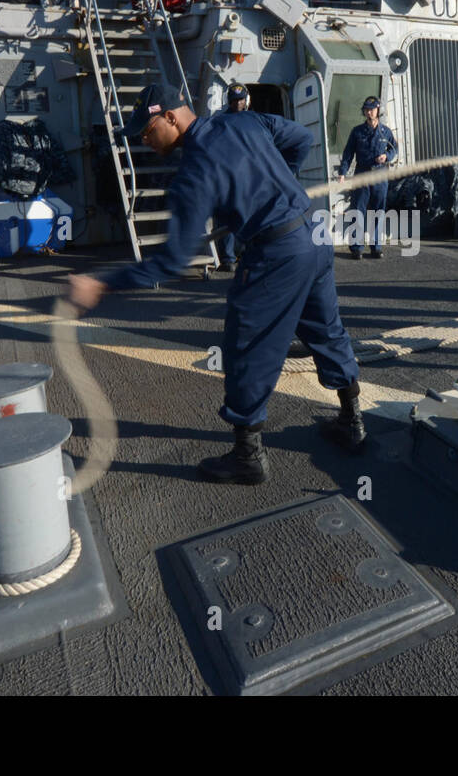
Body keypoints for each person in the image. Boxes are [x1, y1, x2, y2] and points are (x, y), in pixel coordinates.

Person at [67, 92, 365, 486]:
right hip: (314, 233)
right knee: (325, 328)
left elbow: (171, 263)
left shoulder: (193, 173)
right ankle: (352, 420)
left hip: (276, 253)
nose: (145, 140)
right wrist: (281, 185)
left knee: (247, 345)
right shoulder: (245, 122)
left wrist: (102, 283)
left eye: (148, 131)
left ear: (171, 118)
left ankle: (247, 457)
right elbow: (299, 139)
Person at [337, 97, 397, 259]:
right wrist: (342, 172)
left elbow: (394, 150)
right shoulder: (357, 132)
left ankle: (376, 247)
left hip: (380, 176)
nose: (368, 112)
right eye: (366, 109)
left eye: (371, 109)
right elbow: (348, 154)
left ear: (378, 110)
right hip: (362, 174)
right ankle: (356, 248)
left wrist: (387, 156)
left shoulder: (386, 132)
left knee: (378, 211)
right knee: (358, 210)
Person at [214, 83, 250, 273]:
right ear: (229, 101)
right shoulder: (219, 121)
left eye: (241, 99)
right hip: (225, 175)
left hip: (246, 175)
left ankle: (243, 253)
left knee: (245, 216)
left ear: (246, 100)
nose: (238, 103)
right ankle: (228, 258)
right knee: (227, 218)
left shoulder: (252, 120)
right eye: (235, 100)